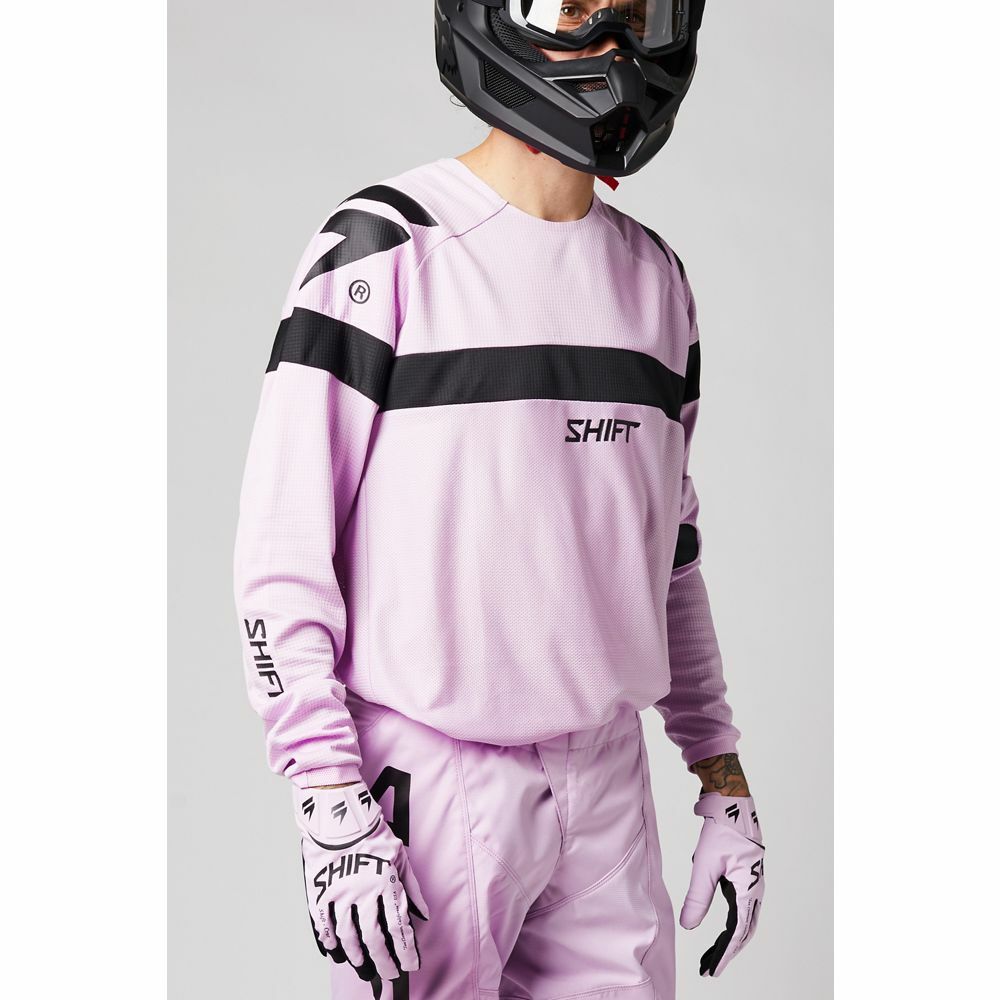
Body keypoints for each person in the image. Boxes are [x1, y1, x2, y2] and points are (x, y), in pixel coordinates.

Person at [233, 3, 765, 998]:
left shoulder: (657, 283)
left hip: (606, 785)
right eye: (576, 8)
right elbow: (283, 551)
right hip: (432, 776)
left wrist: (719, 771)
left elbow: (668, 555)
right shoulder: (383, 247)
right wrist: (329, 795)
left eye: (637, 12)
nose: (613, 41)